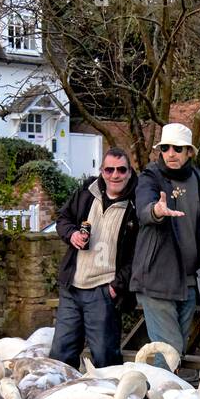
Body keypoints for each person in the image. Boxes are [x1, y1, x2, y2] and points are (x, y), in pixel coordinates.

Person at [130, 123, 200, 364]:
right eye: (165, 148)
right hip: (157, 278)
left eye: (178, 148)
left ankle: (162, 396)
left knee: (177, 349)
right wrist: (157, 210)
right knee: (168, 351)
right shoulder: (150, 178)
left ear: (189, 152)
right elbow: (143, 210)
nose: (171, 153)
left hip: (190, 281)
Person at [50, 148, 139, 368]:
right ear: (102, 171)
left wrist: (116, 286)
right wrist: (72, 235)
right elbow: (63, 219)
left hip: (104, 290)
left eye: (121, 170)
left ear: (129, 172)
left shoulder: (136, 203)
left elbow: (139, 255)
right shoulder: (86, 192)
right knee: (61, 354)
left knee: (105, 358)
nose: (115, 175)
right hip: (73, 286)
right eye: (109, 170)